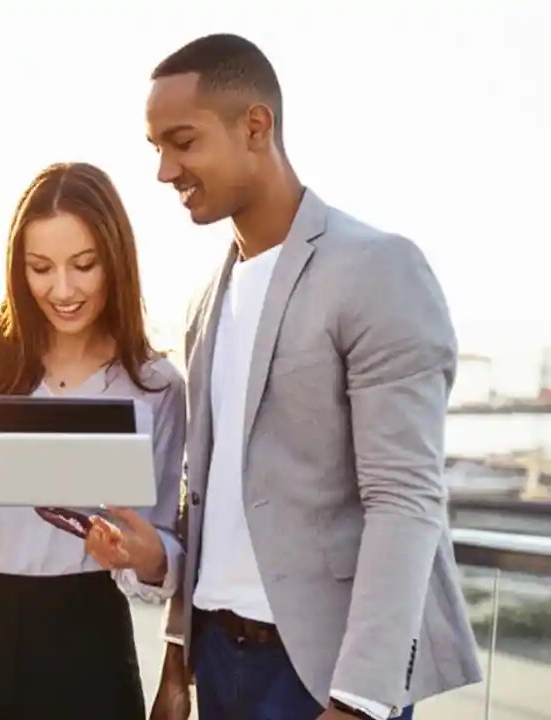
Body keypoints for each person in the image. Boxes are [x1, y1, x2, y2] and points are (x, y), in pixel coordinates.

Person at [143, 33, 483, 720]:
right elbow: (200, 493)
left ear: (255, 126)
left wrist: (357, 701)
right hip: (215, 659)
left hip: (320, 681)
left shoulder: (377, 268)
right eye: (155, 147)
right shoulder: (206, 299)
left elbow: (406, 498)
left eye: (182, 141)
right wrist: (177, 657)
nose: (164, 170)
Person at [0, 161, 187, 719]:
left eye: (84, 266)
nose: (62, 290)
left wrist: (139, 553)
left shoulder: (154, 387)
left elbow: (160, 555)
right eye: (40, 268)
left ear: (116, 262)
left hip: (88, 631)